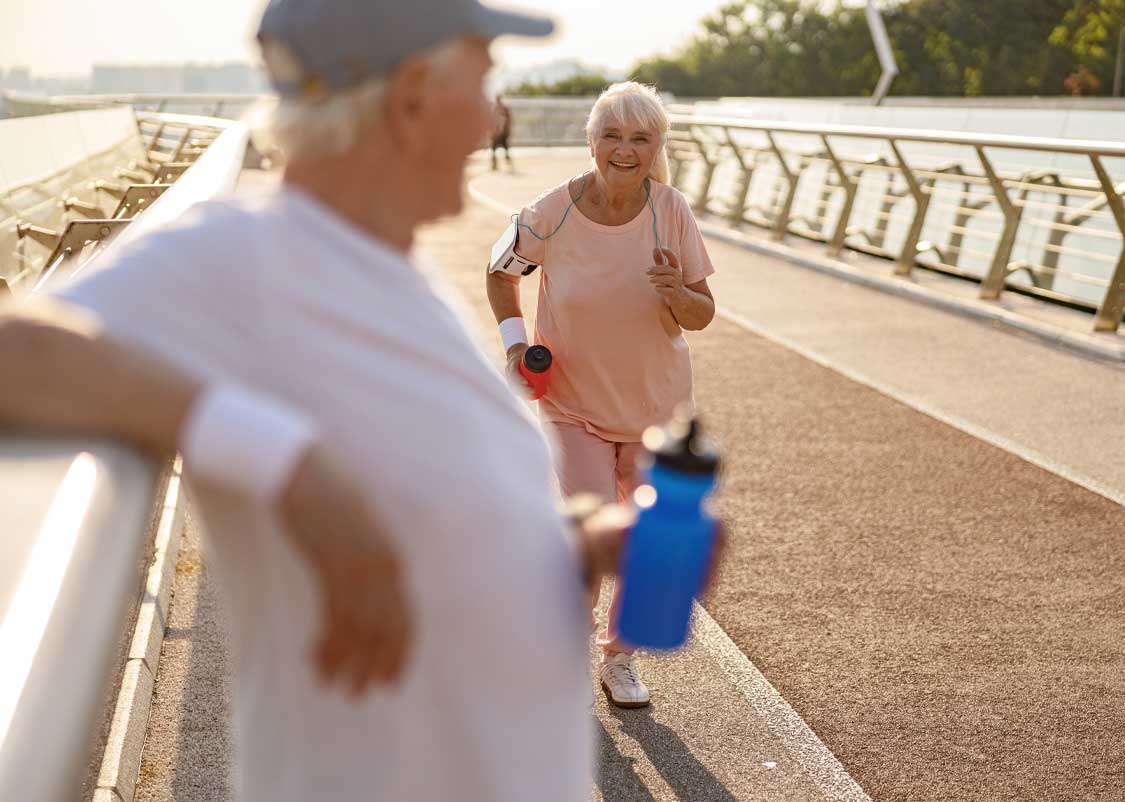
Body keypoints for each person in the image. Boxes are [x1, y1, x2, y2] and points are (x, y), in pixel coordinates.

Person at [0, 2, 697, 801]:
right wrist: (292, 469)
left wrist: (579, 541)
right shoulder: (244, 257)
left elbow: (433, 523)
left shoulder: (392, 271)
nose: (494, 119)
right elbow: (14, 350)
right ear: (410, 99)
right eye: (485, 83)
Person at [486, 81, 717, 708]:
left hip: (655, 406)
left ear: (655, 146)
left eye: (640, 138)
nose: (624, 149)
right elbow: (499, 273)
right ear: (591, 143)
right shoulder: (552, 211)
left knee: (644, 539)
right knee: (587, 530)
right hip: (573, 403)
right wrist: (514, 347)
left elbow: (701, 314)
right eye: (612, 136)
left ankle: (619, 659)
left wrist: (675, 291)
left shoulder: (670, 209)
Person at [491, 94, 513, 170]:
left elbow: (509, 120)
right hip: (496, 133)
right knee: (493, 149)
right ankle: (494, 165)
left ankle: (508, 163)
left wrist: (508, 129)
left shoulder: (504, 108)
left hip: (503, 132)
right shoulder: (494, 108)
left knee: (506, 148)